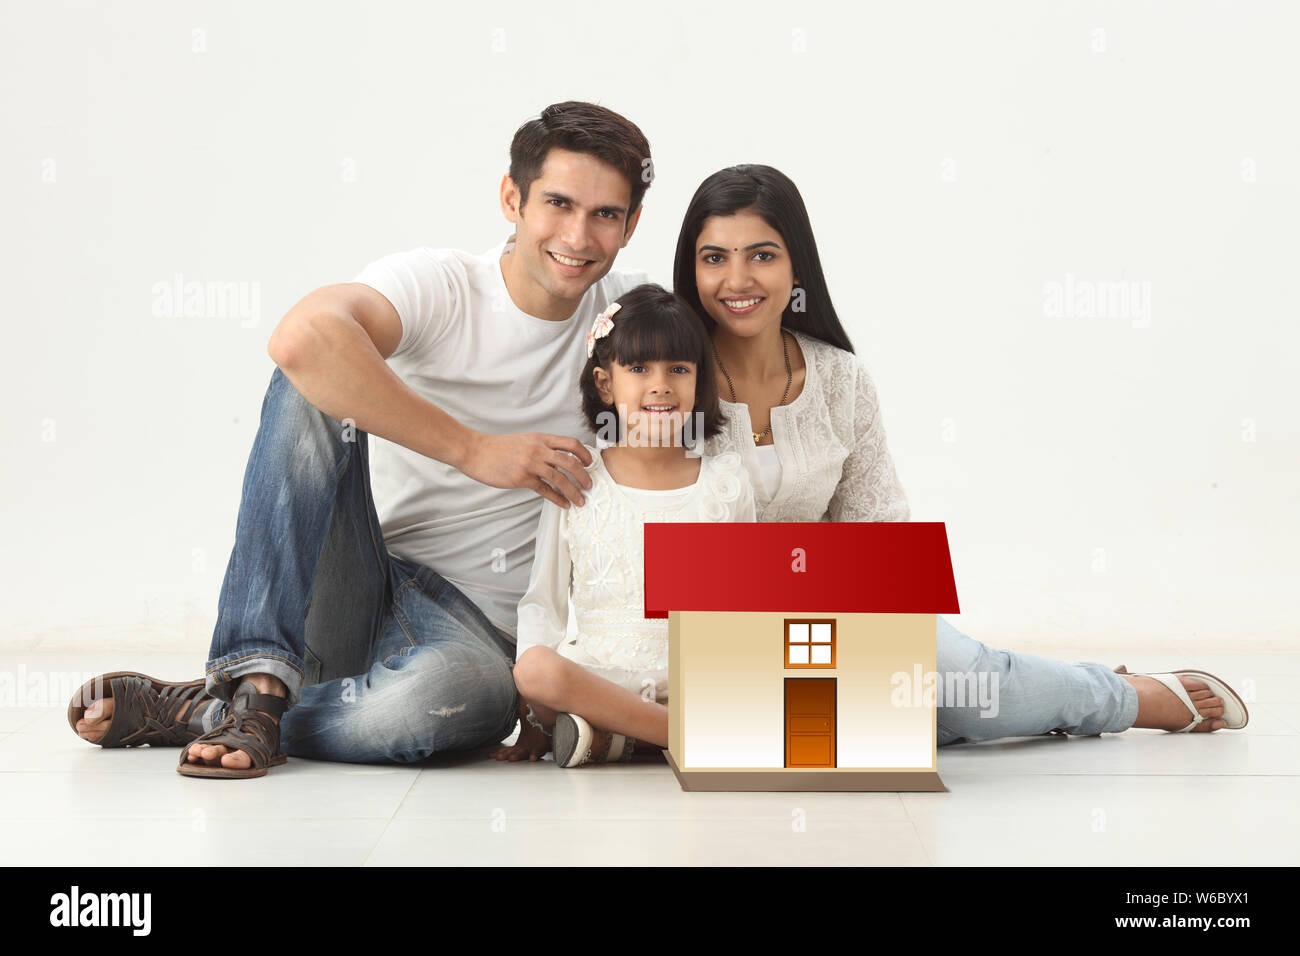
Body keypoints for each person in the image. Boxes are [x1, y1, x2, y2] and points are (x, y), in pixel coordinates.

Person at [67, 101, 660, 776]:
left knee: (460, 699)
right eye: (558, 203)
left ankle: (227, 714)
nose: (578, 235)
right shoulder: (443, 285)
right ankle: (257, 681)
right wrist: (475, 449)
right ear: (511, 198)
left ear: (631, 224)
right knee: (310, 378)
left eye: (605, 214)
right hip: (359, 582)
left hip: (472, 638)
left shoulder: (632, 325)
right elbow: (301, 339)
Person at [672, 163, 1249, 742]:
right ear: (691, 267)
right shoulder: (663, 381)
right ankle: (1068, 691)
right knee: (902, 717)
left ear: (797, 264)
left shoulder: (840, 378)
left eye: (762, 255)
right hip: (720, 631)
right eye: (715, 257)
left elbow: (880, 536)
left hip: (835, 613)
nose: (737, 279)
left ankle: (1121, 697)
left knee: (957, 682)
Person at [493, 284, 756, 768]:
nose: (660, 385)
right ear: (605, 384)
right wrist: (531, 719)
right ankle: (681, 738)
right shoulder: (577, 478)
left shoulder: (727, 484)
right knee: (535, 670)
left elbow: (741, 607)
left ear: (700, 383)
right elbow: (542, 602)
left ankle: (614, 738)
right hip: (600, 677)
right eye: (639, 369)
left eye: (678, 369)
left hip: (691, 681)